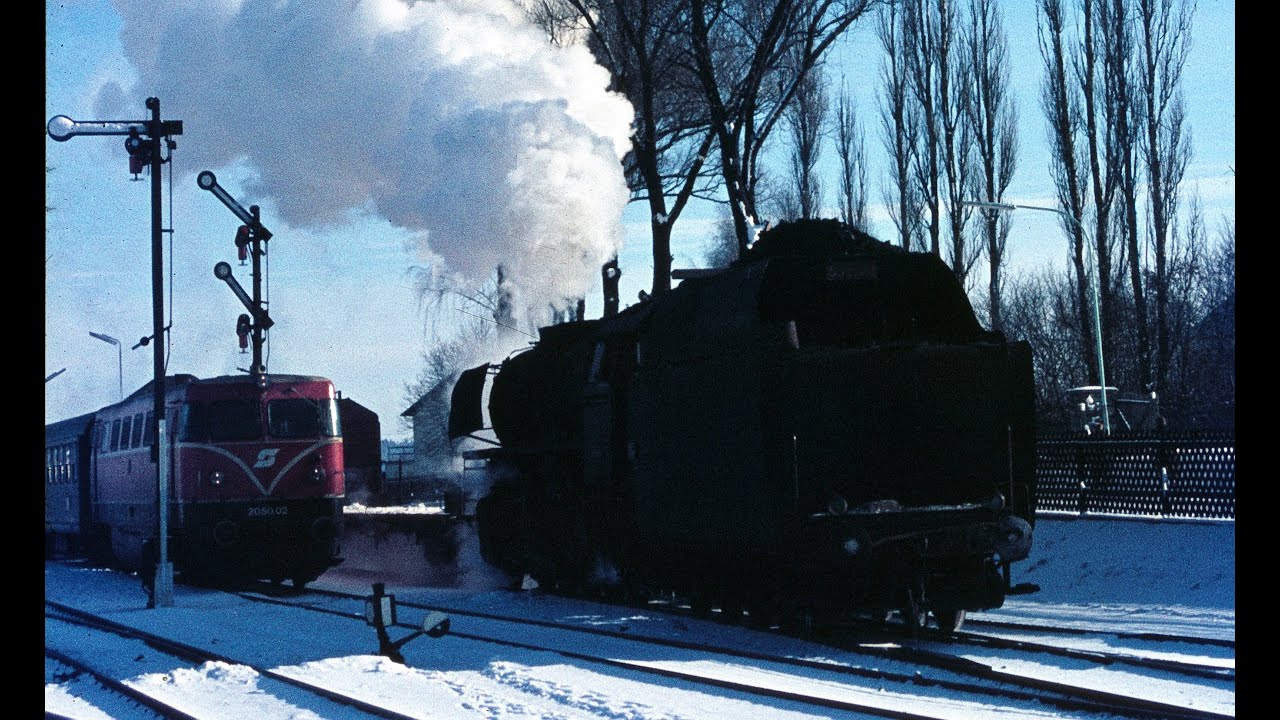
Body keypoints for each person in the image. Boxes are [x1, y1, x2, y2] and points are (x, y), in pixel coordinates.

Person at [140, 538, 158, 608]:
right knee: (149, 586)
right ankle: (151, 601)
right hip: (150, 571)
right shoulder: (151, 551)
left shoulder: (146, 552)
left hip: (147, 571)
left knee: (147, 586)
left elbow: (144, 562)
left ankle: (151, 601)